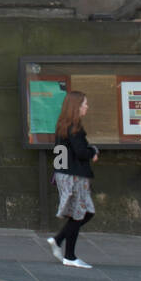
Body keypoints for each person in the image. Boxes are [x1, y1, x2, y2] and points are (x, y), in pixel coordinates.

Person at [47, 89, 99, 268]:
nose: (87, 107)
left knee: (82, 213)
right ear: (76, 107)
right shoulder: (75, 128)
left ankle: (64, 247)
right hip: (74, 176)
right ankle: (65, 249)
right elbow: (82, 153)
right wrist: (93, 151)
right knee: (81, 214)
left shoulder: (62, 125)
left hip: (63, 173)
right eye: (84, 104)